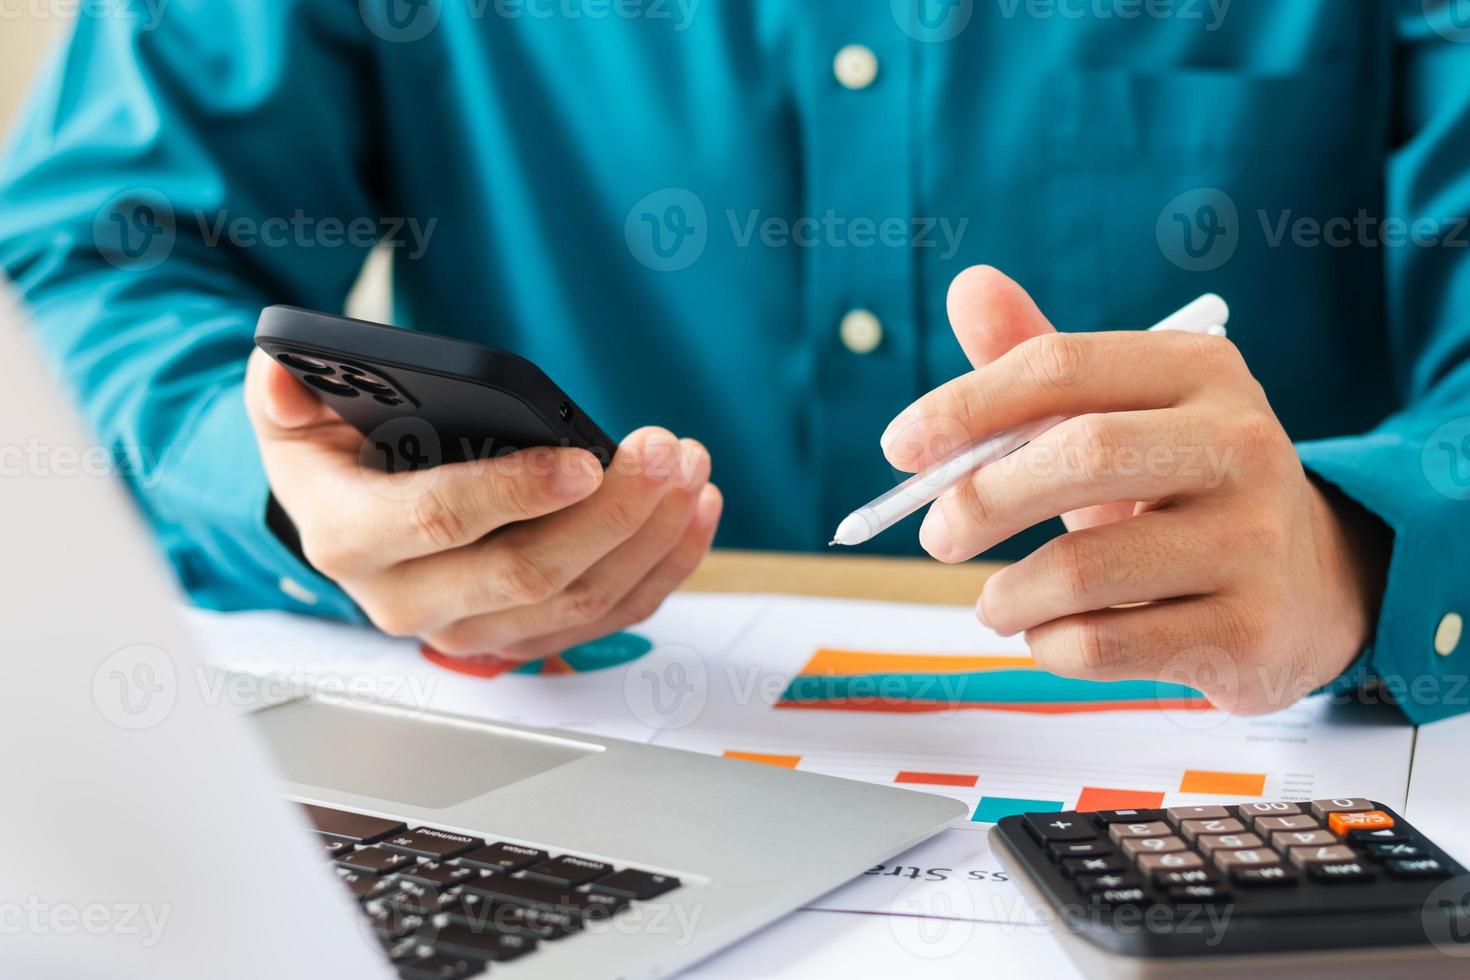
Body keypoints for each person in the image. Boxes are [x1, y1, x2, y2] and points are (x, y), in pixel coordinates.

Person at [1, 2, 1466, 721]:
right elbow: (92, 263)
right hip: (574, 752)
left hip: (1263, 773)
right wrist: (279, 487)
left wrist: (1355, 545)